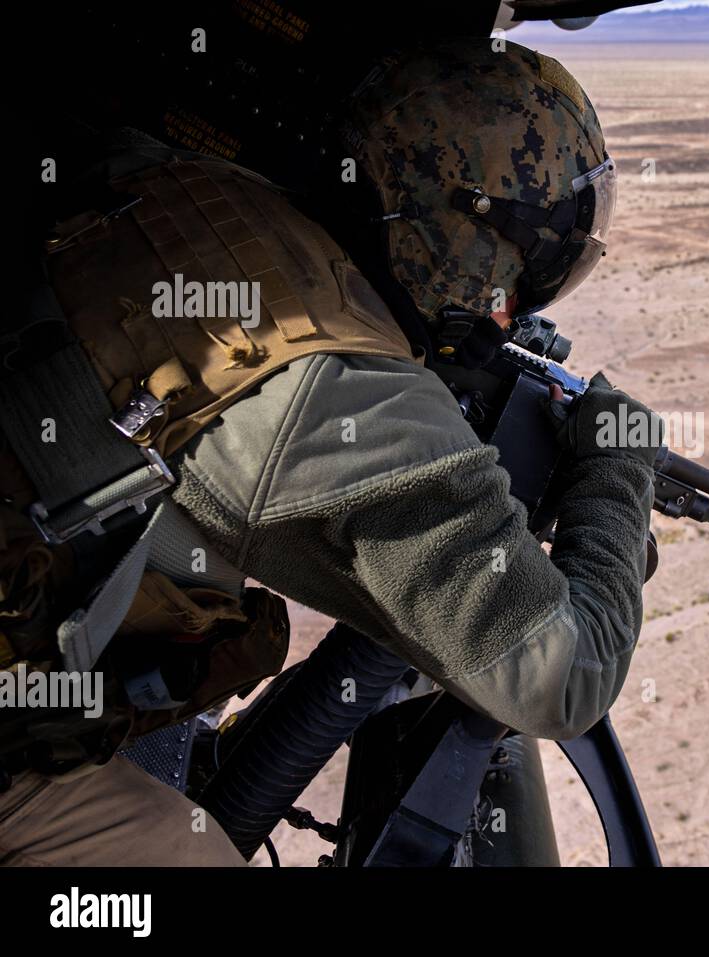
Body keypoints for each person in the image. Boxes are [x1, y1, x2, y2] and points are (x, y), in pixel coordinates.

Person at [0, 39, 658, 865]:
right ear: (465, 235)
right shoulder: (334, 388)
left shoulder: (193, 188)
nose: (515, 306)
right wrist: (620, 461)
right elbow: (561, 674)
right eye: (534, 267)